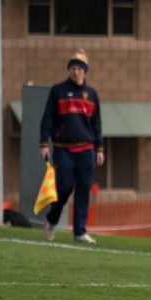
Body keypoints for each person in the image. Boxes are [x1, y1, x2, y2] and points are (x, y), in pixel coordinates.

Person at [39, 49, 104, 244]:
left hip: (86, 149)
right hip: (62, 148)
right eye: (73, 68)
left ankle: (80, 232)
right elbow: (47, 119)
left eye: (80, 69)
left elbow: (97, 123)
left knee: (84, 189)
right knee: (65, 187)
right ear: (69, 70)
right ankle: (51, 220)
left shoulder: (91, 94)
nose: (76, 72)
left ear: (85, 71)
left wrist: (99, 148)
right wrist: (44, 143)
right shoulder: (57, 90)